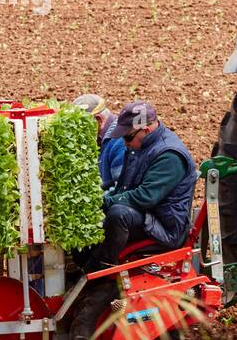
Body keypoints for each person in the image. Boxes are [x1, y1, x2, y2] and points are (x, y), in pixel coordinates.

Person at [87, 101, 197, 270]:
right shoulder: (138, 146)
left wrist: (106, 203)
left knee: (118, 214)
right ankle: (86, 263)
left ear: (145, 130)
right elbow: (123, 187)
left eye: (127, 137)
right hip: (147, 216)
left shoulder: (169, 155)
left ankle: (100, 271)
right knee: (101, 216)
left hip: (165, 227)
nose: (124, 142)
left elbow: (145, 197)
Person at [72, 93, 125, 189]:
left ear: (98, 120)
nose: (78, 131)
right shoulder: (96, 137)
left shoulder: (119, 141)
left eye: (81, 125)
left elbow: (121, 188)